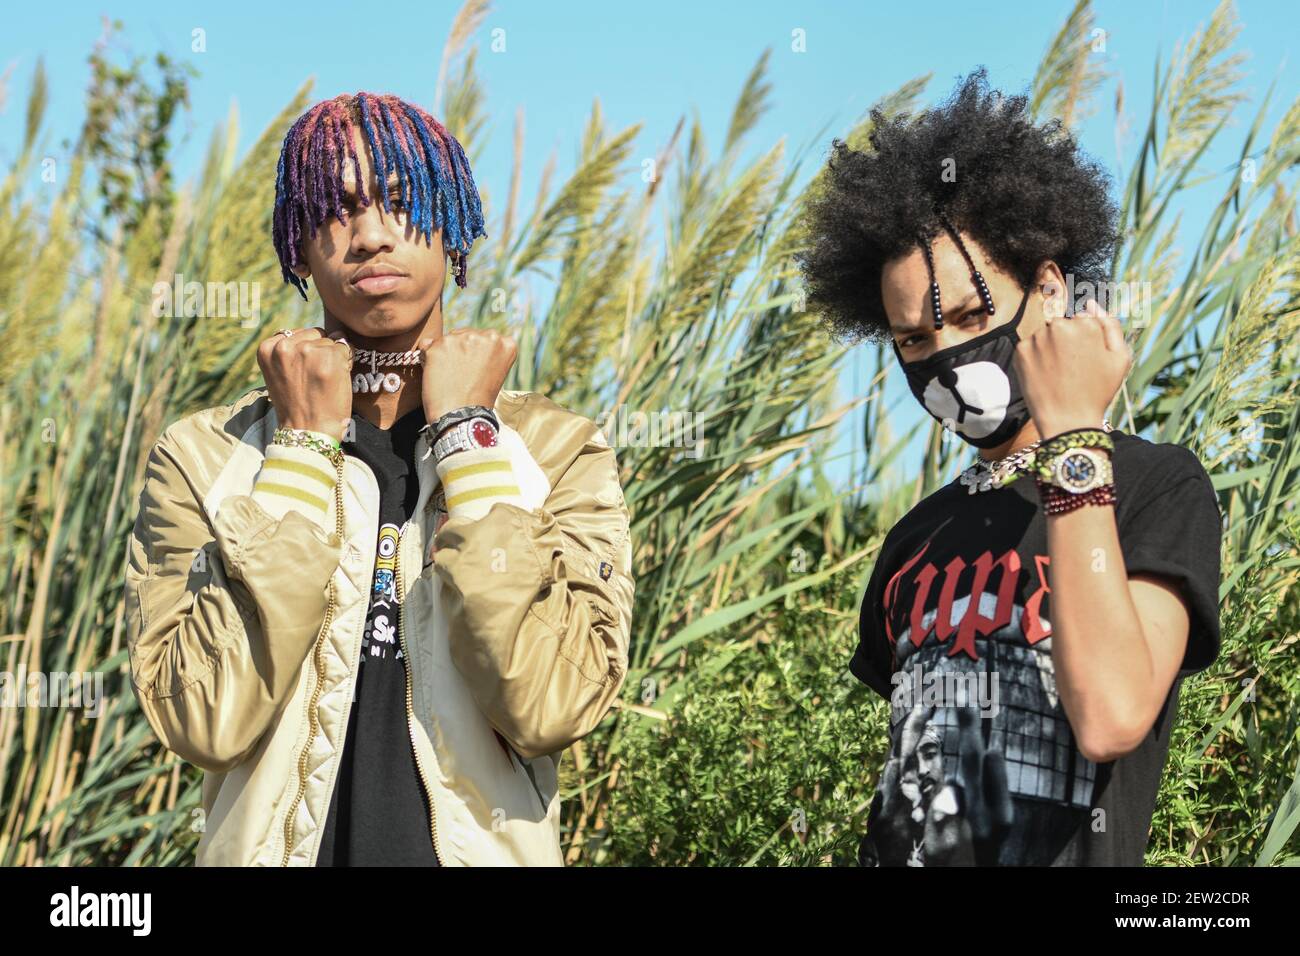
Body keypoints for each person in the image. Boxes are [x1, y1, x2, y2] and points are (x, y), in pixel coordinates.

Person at [123, 92, 634, 867]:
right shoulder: (205, 455)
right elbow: (203, 720)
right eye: (335, 210)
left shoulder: (556, 450)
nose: (368, 236)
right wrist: (300, 452)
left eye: (399, 200)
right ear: (297, 245)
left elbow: (552, 707)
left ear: (452, 222)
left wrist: (469, 444)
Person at [797, 70, 1222, 866]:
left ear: (1050, 289)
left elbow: (1112, 716)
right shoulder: (916, 537)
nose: (947, 355)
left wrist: (1072, 437)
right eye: (913, 338)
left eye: (970, 315)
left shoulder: (1154, 486)